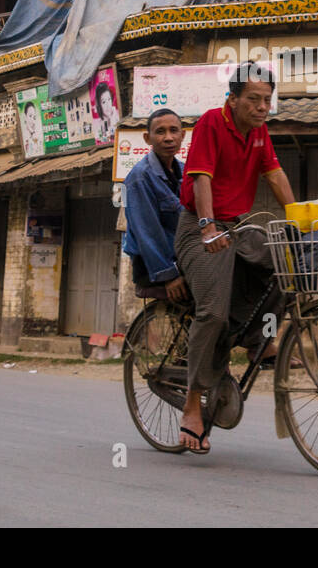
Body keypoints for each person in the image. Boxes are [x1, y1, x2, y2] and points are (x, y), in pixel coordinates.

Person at [173, 62, 296, 453]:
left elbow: (274, 174)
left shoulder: (260, 133)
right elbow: (201, 177)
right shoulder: (212, 122)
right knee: (213, 311)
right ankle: (193, 404)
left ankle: (257, 337)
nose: (262, 107)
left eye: (267, 100)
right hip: (198, 225)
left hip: (237, 223)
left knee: (281, 263)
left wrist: (300, 217)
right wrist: (208, 226)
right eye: (254, 99)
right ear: (234, 99)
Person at [122, 108, 188, 302]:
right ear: (147, 138)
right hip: (155, 267)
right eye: (160, 132)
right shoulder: (139, 178)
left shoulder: (185, 171)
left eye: (173, 130)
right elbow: (147, 232)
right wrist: (168, 275)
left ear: (182, 135)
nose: (168, 138)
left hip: (182, 258)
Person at [94, 79, 119, 143]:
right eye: (104, 102)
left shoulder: (118, 115)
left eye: (109, 99)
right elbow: (101, 140)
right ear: (99, 104)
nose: (108, 105)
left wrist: (112, 119)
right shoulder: (97, 124)